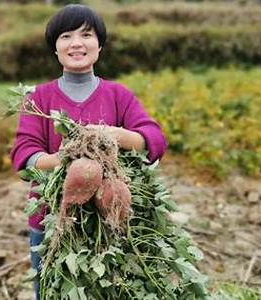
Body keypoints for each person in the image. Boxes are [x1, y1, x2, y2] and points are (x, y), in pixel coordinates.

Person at [9, 4, 167, 299]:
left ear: (100, 45)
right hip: (51, 223)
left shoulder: (119, 95)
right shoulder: (38, 99)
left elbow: (154, 140)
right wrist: (66, 162)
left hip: (114, 223)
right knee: (51, 292)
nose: (77, 43)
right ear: (55, 49)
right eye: (66, 36)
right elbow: (23, 154)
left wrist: (116, 136)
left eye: (86, 35)